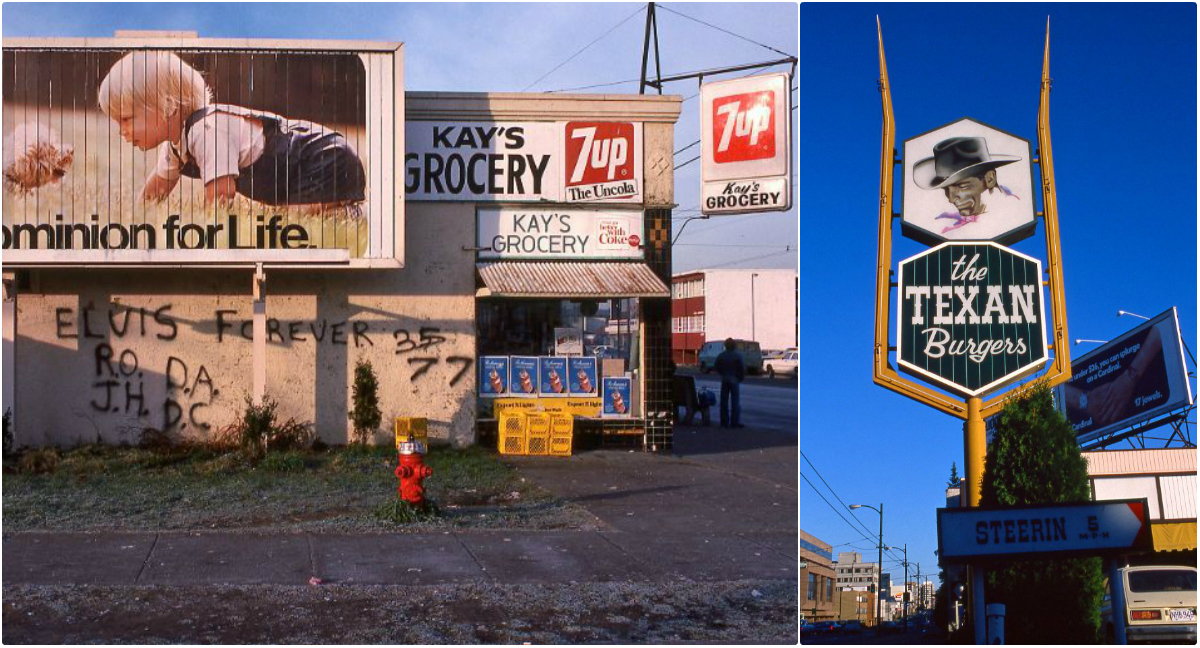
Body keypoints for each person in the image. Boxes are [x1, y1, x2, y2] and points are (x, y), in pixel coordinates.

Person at [98, 51, 365, 208]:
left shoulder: (207, 130)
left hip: (322, 157)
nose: (121, 130)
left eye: (126, 119)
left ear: (167, 105)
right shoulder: (177, 145)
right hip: (297, 172)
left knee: (295, 226)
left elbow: (221, 195)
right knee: (287, 219)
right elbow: (154, 194)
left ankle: (356, 212)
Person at [912, 136, 1022, 235]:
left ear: (990, 179)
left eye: (962, 186)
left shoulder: (1013, 214)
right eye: (946, 189)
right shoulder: (953, 227)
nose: (951, 199)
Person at [714, 337, 746, 428]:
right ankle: (734, 422)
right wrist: (740, 378)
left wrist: (722, 373)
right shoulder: (737, 356)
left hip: (724, 379)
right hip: (734, 379)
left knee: (724, 401)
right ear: (734, 346)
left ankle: (724, 422)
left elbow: (716, 366)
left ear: (725, 346)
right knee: (735, 402)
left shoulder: (721, 355)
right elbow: (742, 369)